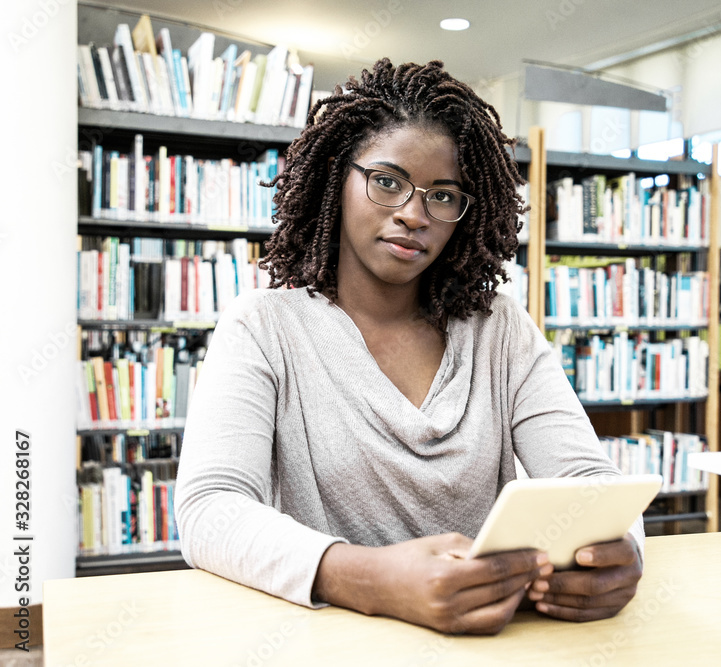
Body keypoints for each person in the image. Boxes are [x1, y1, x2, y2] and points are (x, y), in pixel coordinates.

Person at [175, 58, 644, 636]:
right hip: (332, 642)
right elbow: (210, 510)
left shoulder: (500, 328)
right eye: (388, 181)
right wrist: (368, 579)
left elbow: (587, 477)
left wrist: (619, 554)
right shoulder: (263, 329)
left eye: (443, 196)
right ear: (335, 177)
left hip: (493, 641)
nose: (414, 215)